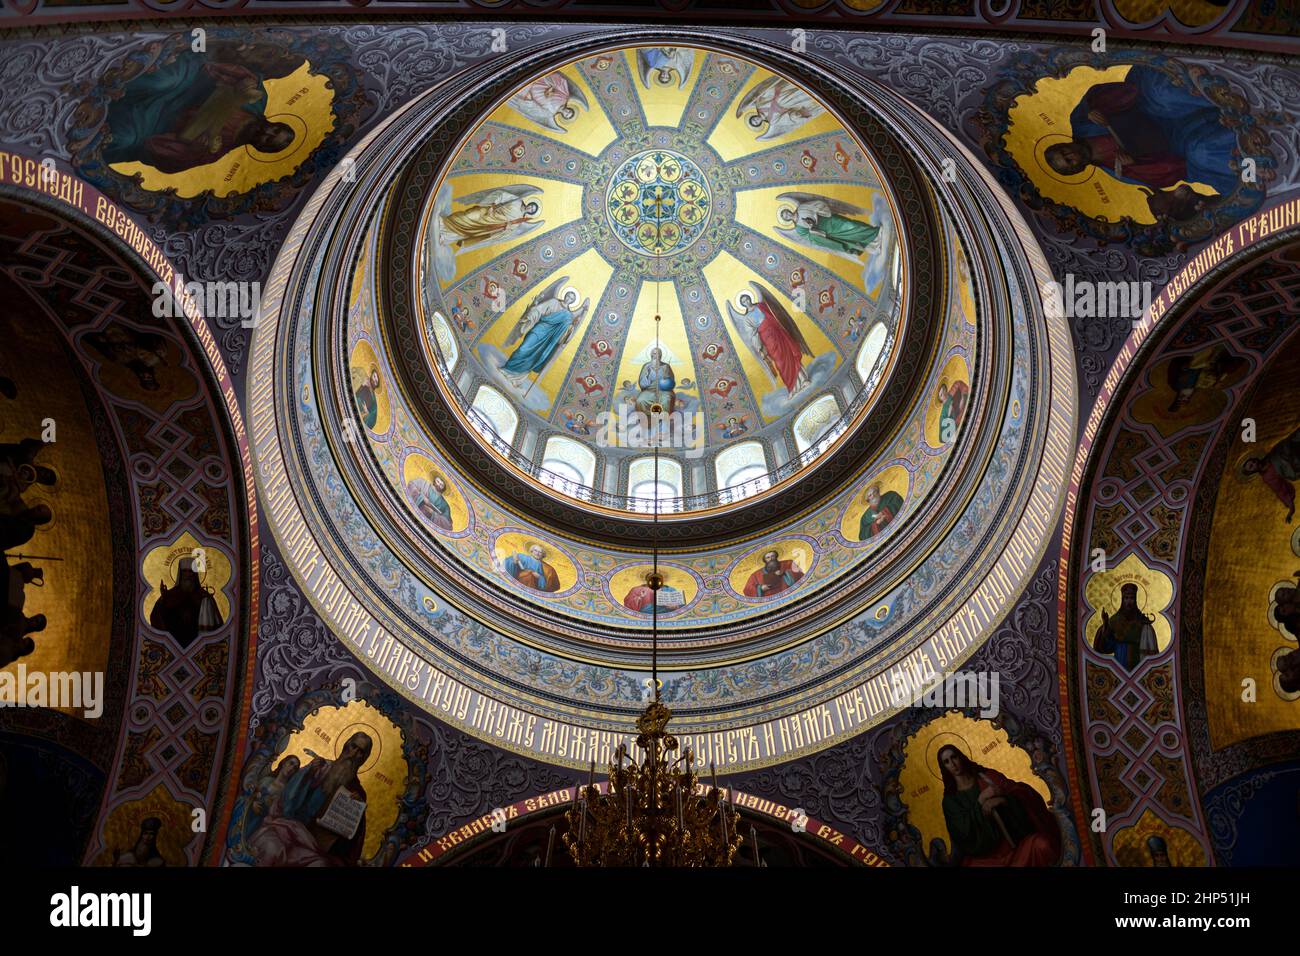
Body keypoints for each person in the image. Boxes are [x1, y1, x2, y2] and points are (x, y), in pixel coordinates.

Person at [1042, 64, 1238, 220]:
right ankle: (1250, 130)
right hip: (1175, 140)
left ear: (1064, 144)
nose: (1071, 156)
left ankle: (1231, 91)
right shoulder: (1116, 170)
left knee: (1165, 93)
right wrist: (1137, 164)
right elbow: (1170, 172)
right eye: (1069, 162)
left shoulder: (1081, 121)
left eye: (1064, 152)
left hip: (1147, 106)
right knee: (1202, 153)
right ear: (1078, 168)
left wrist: (1099, 107)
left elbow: (1107, 91)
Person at [103, 51, 295, 174]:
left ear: (260, 148)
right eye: (276, 131)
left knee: (123, 138)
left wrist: (191, 148)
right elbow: (231, 70)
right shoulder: (258, 99)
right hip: (188, 84)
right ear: (275, 123)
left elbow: (164, 158)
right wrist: (244, 82)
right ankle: (105, 79)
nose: (267, 134)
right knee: (161, 81)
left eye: (269, 141)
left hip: (154, 121)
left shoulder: (216, 150)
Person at [250, 733, 373, 867]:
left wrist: (357, 811)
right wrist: (308, 773)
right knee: (270, 848)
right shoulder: (321, 767)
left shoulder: (357, 792)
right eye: (353, 747)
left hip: (314, 847)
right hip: (288, 828)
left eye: (360, 752)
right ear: (346, 746)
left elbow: (351, 841)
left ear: (364, 759)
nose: (354, 753)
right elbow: (288, 800)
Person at [937, 744, 1061, 867]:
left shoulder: (987, 777)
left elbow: (1022, 793)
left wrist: (1004, 800)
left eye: (954, 757)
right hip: (986, 860)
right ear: (944, 768)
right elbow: (963, 832)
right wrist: (981, 802)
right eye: (947, 762)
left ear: (961, 757)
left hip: (1016, 849)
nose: (952, 764)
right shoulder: (950, 801)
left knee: (1043, 845)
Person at [734, 289, 812, 397]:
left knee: (789, 354)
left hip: (777, 332)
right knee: (780, 362)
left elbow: (775, 313)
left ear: (750, 298)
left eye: (747, 299)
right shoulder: (746, 318)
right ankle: (792, 388)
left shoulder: (760, 306)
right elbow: (752, 334)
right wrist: (759, 347)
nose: (746, 302)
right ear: (742, 304)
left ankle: (803, 380)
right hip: (767, 339)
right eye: (744, 301)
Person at [502, 289, 585, 386]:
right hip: (539, 328)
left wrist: (573, 326)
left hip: (547, 339)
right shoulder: (554, 302)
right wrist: (532, 313)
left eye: (571, 298)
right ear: (565, 295)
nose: (568, 299)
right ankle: (507, 368)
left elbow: (564, 335)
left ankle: (517, 378)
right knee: (523, 349)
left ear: (572, 302)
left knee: (533, 357)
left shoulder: (568, 316)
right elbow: (539, 309)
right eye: (568, 296)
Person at [149, 557, 224, 649]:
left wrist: (207, 603)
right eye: (185, 571)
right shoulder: (169, 595)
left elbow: (216, 625)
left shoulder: (204, 596)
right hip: (173, 643)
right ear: (180, 573)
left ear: (195, 574)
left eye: (191, 571)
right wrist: (163, 600)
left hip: (198, 645)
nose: (188, 574)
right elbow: (156, 618)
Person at [778, 199, 879, 257]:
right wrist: (811, 228)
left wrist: (816, 212)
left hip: (828, 220)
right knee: (848, 238)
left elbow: (817, 204)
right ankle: (871, 242)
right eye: (786, 217)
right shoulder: (799, 229)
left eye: (786, 213)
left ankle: (874, 233)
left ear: (788, 210)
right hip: (826, 231)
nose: (788, 215)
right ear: (787, 220)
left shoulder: (801, 208)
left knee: (851, 225)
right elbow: (810, 238)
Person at [1092, 582, 1158, 672]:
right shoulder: (1114, 620)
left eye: (1131, 598)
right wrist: (1106, 624)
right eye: (1126, 598)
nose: (1129, 602)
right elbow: (1106, 646)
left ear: (1135, 600)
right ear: (1122, 600)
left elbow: (1149, 646)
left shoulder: (1142, 621)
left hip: (1138, 663)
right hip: (1120, 662)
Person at [1243, 427, 1300, 523]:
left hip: (1292, 450)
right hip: (1294, 465)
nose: (1253, 463)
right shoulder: (1267, 477)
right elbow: (1280, 490)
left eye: (1252, 461)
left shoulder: (1269, 456)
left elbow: (1283, 445)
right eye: (1251, 466)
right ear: (1253, 471)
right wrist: (1291, 509)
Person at [635, 348, 676, 417]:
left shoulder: (666, 366)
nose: (656, 356)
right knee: (640, 401)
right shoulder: (646, 366)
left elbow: (671, 384)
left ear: (661, 355)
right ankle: (647, 419)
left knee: (667, 401)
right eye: (654, 354)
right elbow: (642, 384)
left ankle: (664, 420)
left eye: (658, 353)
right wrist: (647, 374)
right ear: (651, 355)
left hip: (664, 391)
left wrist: (666, 377)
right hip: (649, 390)